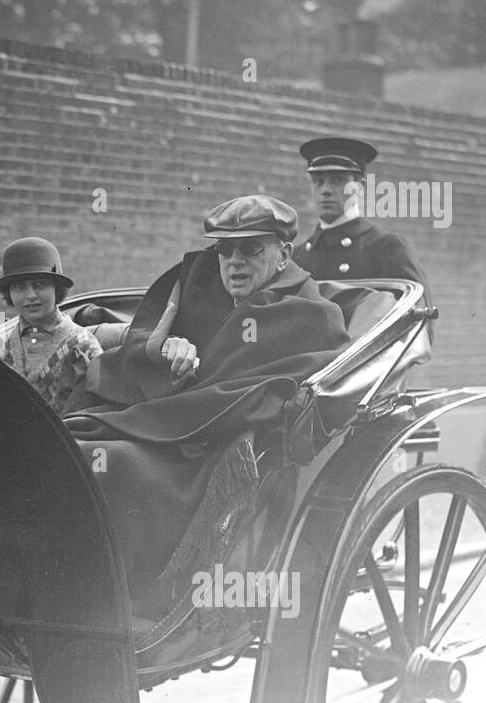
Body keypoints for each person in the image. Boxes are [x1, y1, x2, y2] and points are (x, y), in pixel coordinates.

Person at [64, 195, 350, 594]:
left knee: (106, 464)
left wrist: (176, 396)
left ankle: (117, 596)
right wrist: (167, 351)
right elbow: (141, 347)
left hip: (211, 448)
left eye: (251, 248)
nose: (234, 261)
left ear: (283, 254)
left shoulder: (311, 315)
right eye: (224, 249)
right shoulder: (202, 288)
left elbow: (267, 392)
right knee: (60, 445)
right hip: (166, 425)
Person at [291, 137, 431, 299]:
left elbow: (417, 312)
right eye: (318, 181)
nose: (325, 190)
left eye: (337, 181)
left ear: (359, 187)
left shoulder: (386, 248)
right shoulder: (297, 257)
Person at [0, 236, 101, 415]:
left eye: (40, 285)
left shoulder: (82, 343)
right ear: (9, 293)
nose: (30, 295)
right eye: (19, 287)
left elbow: (98, 409)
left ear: (56, 289)